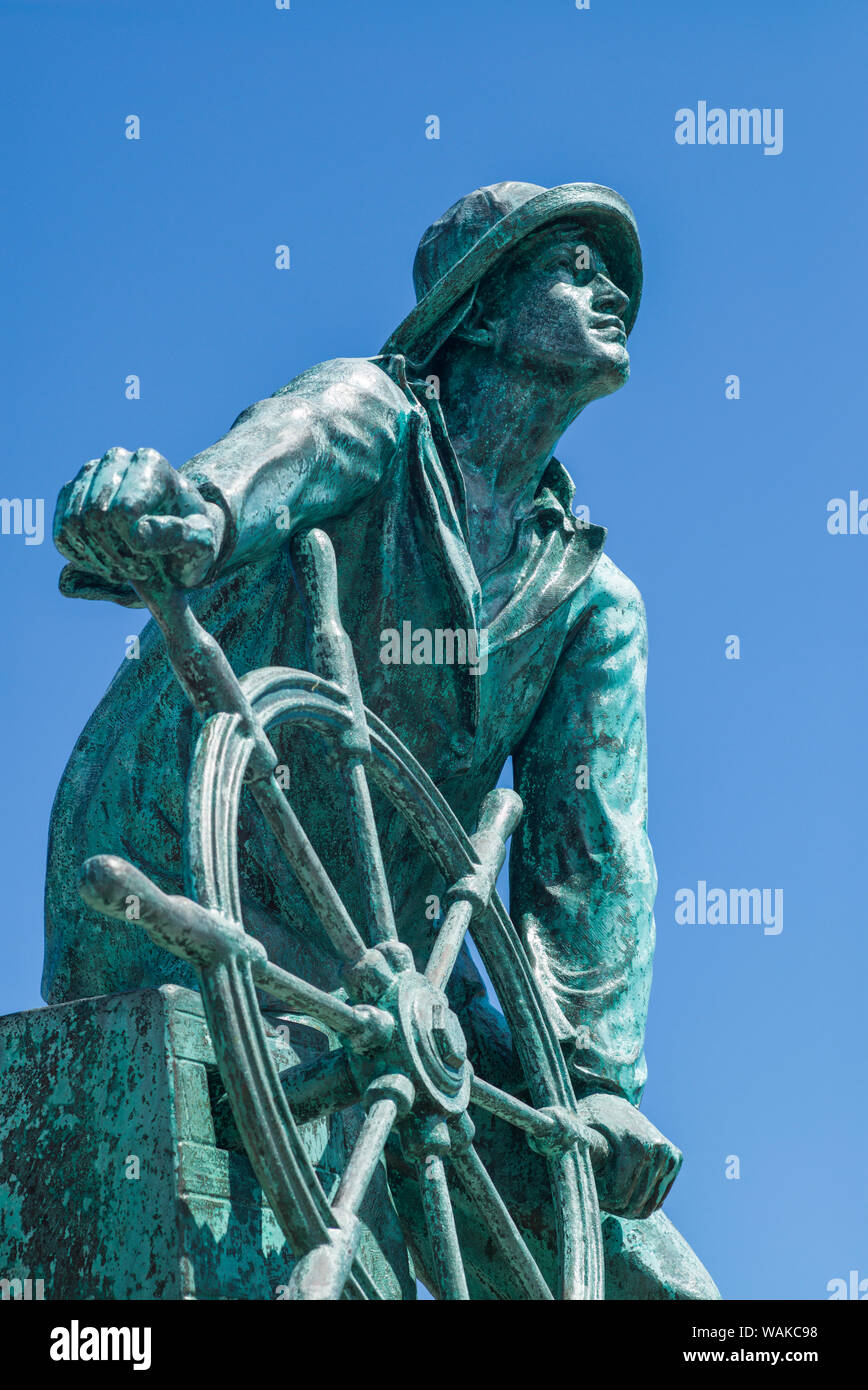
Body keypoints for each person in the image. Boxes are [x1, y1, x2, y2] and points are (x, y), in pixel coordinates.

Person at [48, 181, 720, 1299]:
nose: (611, 290)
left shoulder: (593, 604)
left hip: (392, 976)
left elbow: (589, 851)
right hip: (181, 895)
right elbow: (254, 471)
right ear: (484, 314)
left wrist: (596, 1083)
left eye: (615, 273)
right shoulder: (368, 418)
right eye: (572, 265)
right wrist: (171, 514)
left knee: (666, 1290)